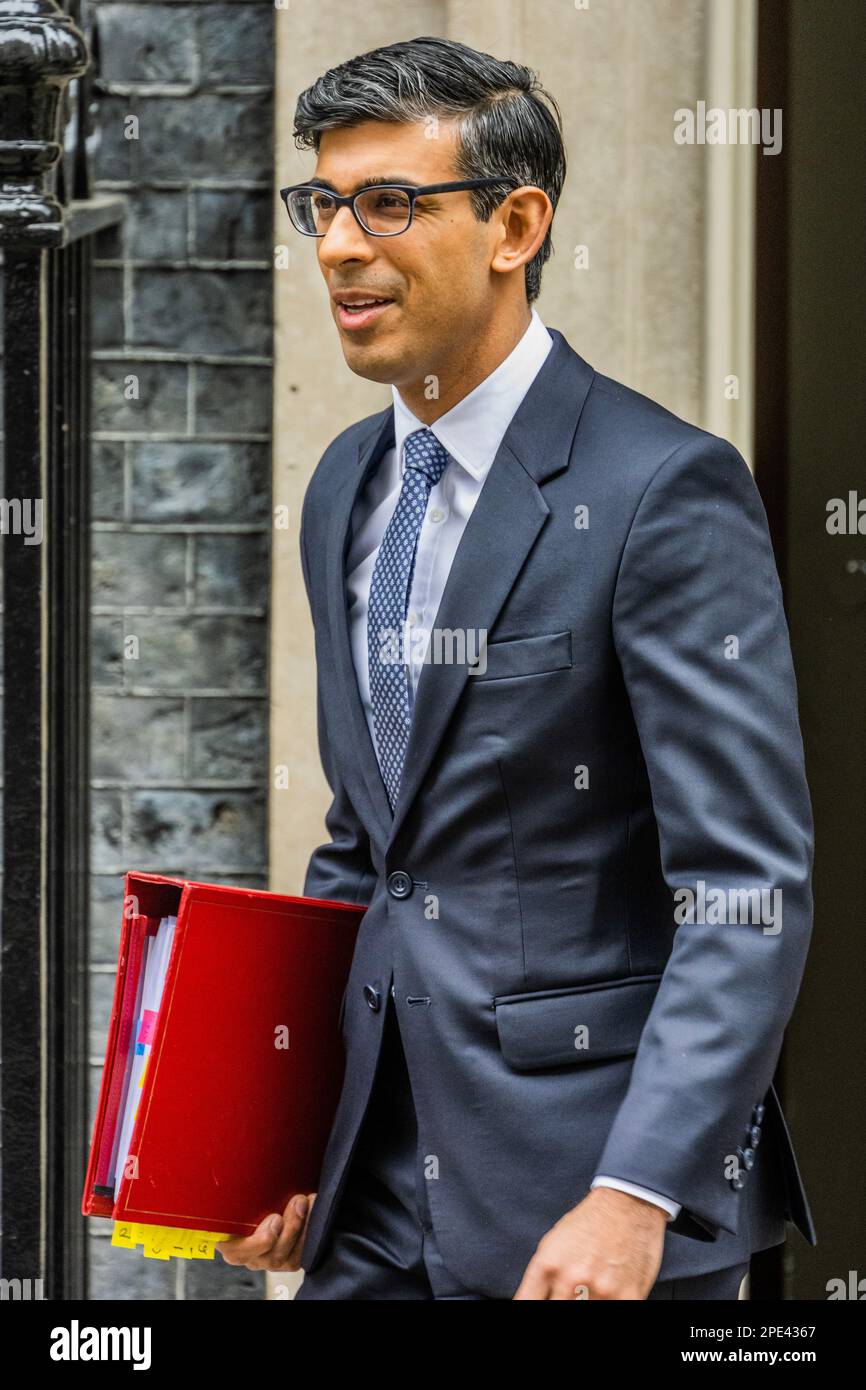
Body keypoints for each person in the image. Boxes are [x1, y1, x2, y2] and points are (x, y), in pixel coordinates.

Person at [217, 35, 816, 1300]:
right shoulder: (342, 485)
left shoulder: (659, 491)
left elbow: (742, 885)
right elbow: (363, 850)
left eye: (388, 203)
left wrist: (637, 1189)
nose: (335, 245)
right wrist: (281, 1143)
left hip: (586, 1216)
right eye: (321, 204)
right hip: (369, 1206)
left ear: (515, 224)